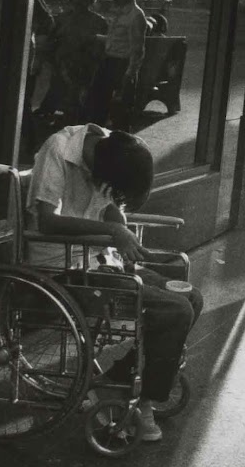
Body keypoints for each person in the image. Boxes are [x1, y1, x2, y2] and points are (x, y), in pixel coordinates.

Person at [31, 124, 203, 443]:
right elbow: (47, 220)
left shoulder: (112, 148)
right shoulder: (59, 149)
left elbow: (108, 207)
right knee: (175, 311)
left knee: (192, 299)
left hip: (100, 261)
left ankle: (117, 382)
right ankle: (145, 399)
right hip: (63, 268)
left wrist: (118, 223)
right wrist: (113, 232)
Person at [36, 0, 109, 124]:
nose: (79, 1)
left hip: (84, 69)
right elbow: (50, 43)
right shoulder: (61, 20)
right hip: (61, 66)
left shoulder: (99, 22)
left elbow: (102, 49)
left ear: (91, 0)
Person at [87, 0, 147, 128]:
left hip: (122, 65)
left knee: (119, 113)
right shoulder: (119, 11)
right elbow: (116, 39)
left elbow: (137, 50)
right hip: (108, 62)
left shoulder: (136, 16)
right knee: (97, 107)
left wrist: (128, 77)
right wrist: (96, 38)